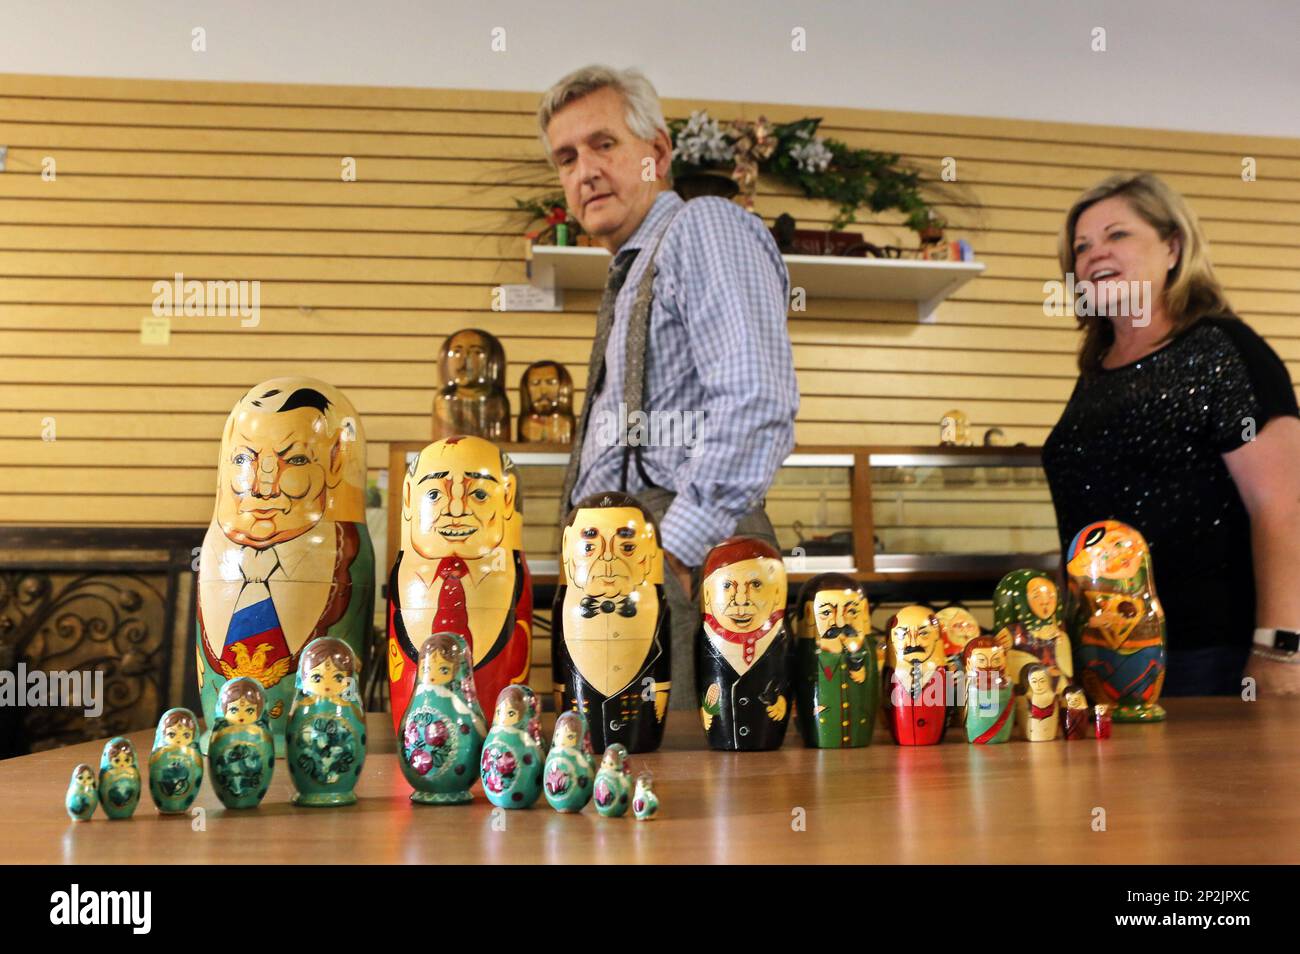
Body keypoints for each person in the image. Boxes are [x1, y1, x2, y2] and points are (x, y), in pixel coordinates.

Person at [537, 65, 799, 707]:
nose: (584, 171)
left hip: (685, 555)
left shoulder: (702, 226)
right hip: (624, 565)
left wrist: (675, 555)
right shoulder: (633, 274)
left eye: (603, 144)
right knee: (633, 783)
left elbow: (756, 397)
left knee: (698, 788)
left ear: (656, 153)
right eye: (566, 158)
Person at [1042, 172, 1300, 696]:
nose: (1094, 254)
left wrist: (1280, 650)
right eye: (1081, 247)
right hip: (1102, 654)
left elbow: (1285, 505)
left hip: (1207, 656)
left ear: (1173, 247)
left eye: (1117, 235)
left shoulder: (1221, 348)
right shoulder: (1098, 370)